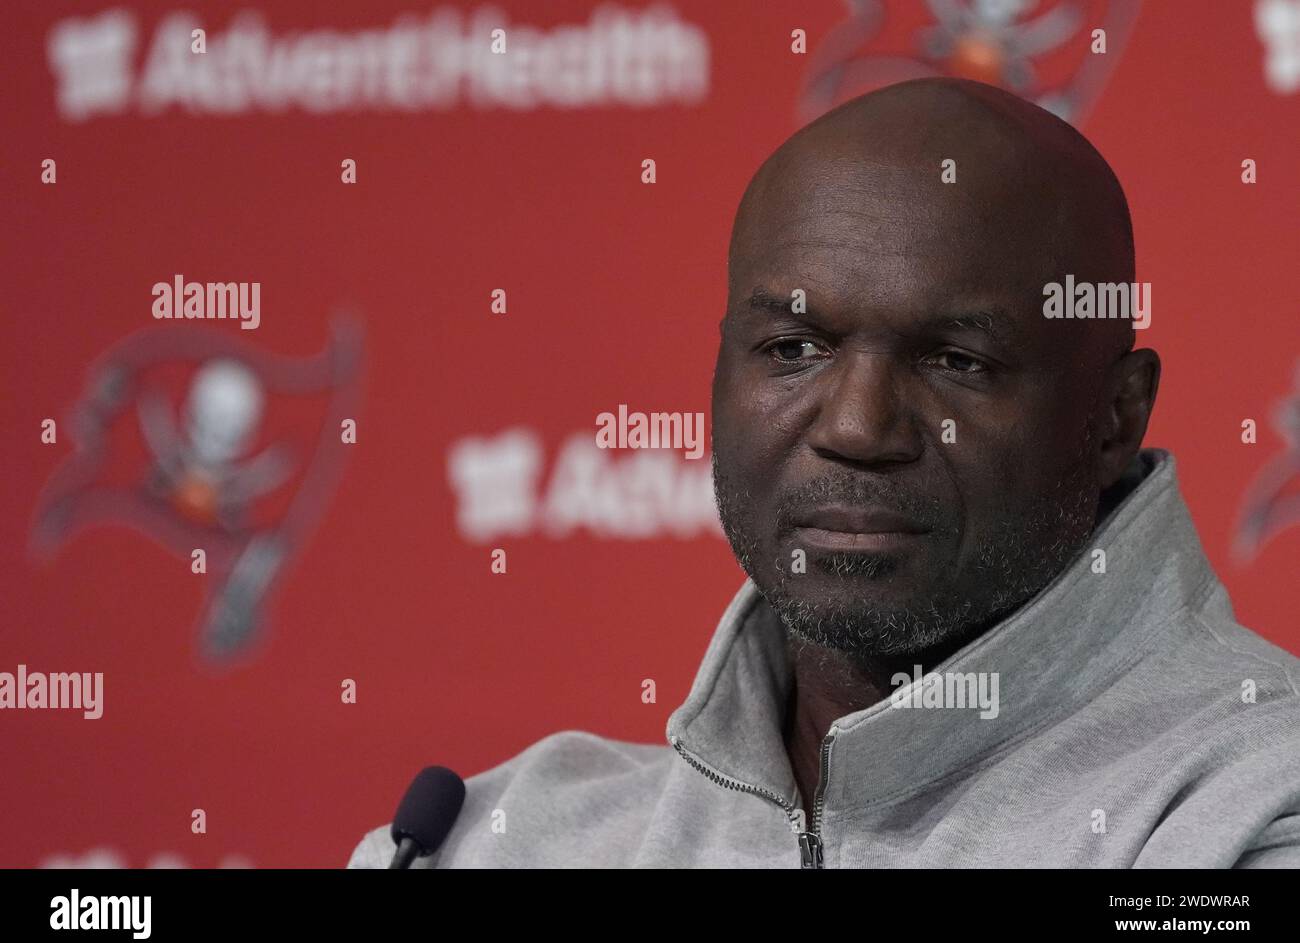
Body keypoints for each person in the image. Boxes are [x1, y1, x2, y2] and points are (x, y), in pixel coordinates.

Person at [348, 77, 1300, 868]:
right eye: (795, 346)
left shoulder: (1249, 810)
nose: (856, 425)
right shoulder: (488, 838)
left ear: (1115, 415)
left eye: (955, 360)